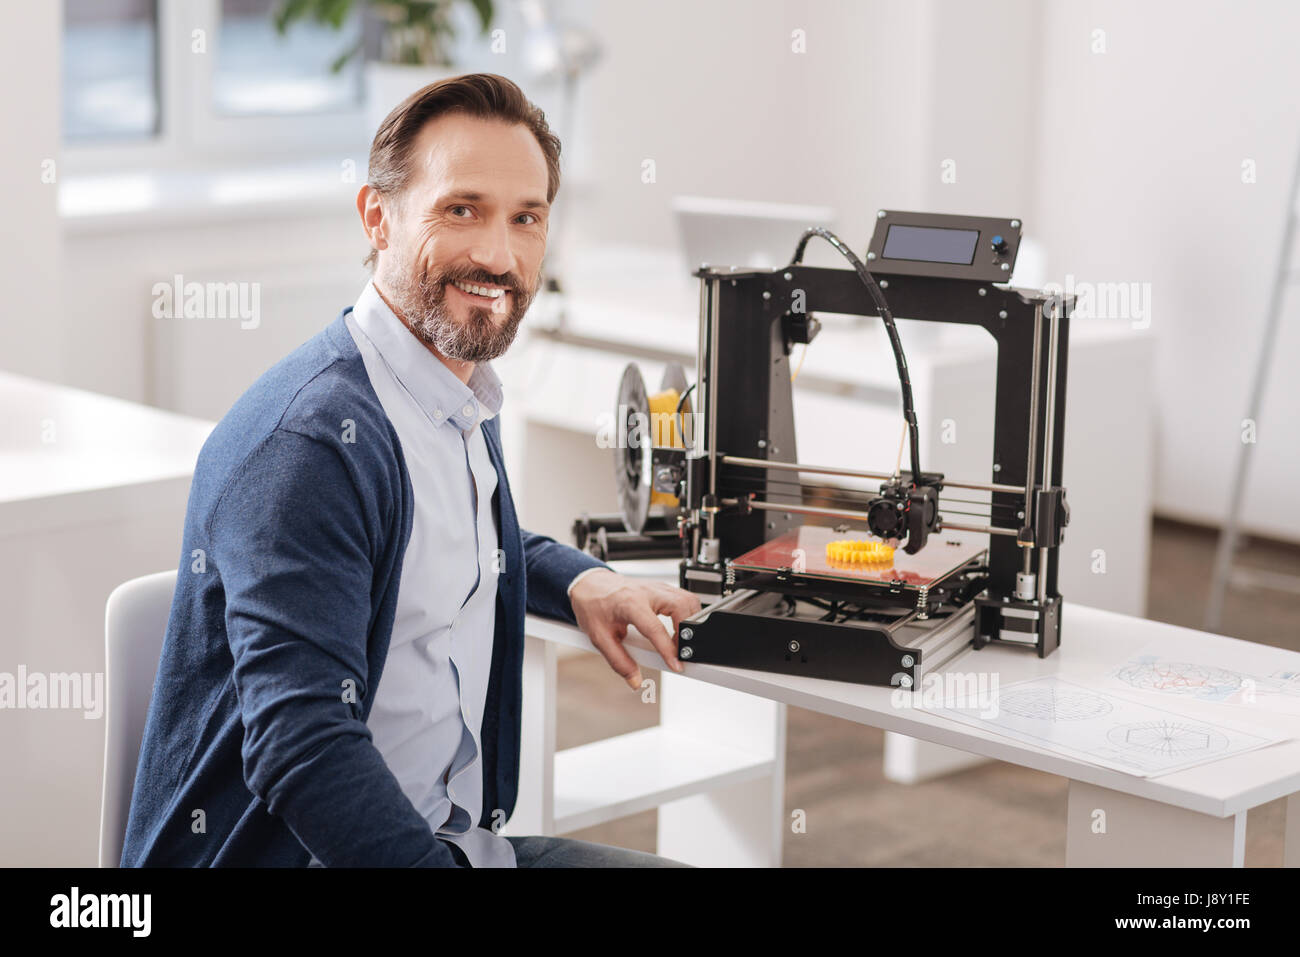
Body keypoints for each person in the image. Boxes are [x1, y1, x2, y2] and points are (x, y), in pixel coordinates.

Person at [121, 73, 698, 868]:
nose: (498, 254)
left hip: (445, 842)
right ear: (377, 217)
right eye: (461, 210)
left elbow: (448, 542)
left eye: (525, 218)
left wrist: (578, 581)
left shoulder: (448, 388)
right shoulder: (313, 443)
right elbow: (302, 747)